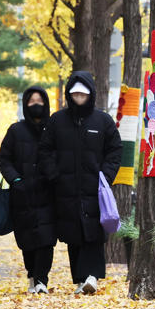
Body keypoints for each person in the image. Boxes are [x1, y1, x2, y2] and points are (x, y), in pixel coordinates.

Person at [38, 71, 122, 295]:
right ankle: (79, 280)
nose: (79, 98)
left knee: (94, 232)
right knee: (73, 234)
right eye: (74, 95)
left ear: (91, 95)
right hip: (65, 190)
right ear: (69, 95)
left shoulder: (103, 121)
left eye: (83, 95)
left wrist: (106, 175)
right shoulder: (57, 120)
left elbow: (115, 150)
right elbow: (45, 150)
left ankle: (92, 276)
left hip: (95, 189)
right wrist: (54, 174)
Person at [0, 86, 56, 294]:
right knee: (27, 240)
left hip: (48, 194)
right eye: (32, 102)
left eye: (40, 101)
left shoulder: (53, 129)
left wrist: (54, 176)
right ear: (25, 105)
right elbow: (4, 159)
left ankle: (42, 280)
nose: (36, 105)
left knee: (47, 239)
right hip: (22, 195)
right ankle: (32, 275)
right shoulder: (15, 131)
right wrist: (16, 179)